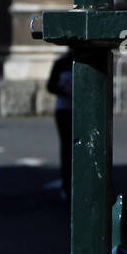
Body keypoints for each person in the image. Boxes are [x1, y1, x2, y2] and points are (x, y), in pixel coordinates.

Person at [46, 50, 74, 201]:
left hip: (76, 108)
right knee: (66, 147)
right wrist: (64, 91)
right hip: (64, 108)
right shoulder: (61, 63)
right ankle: (66, 184)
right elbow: (50, 86)